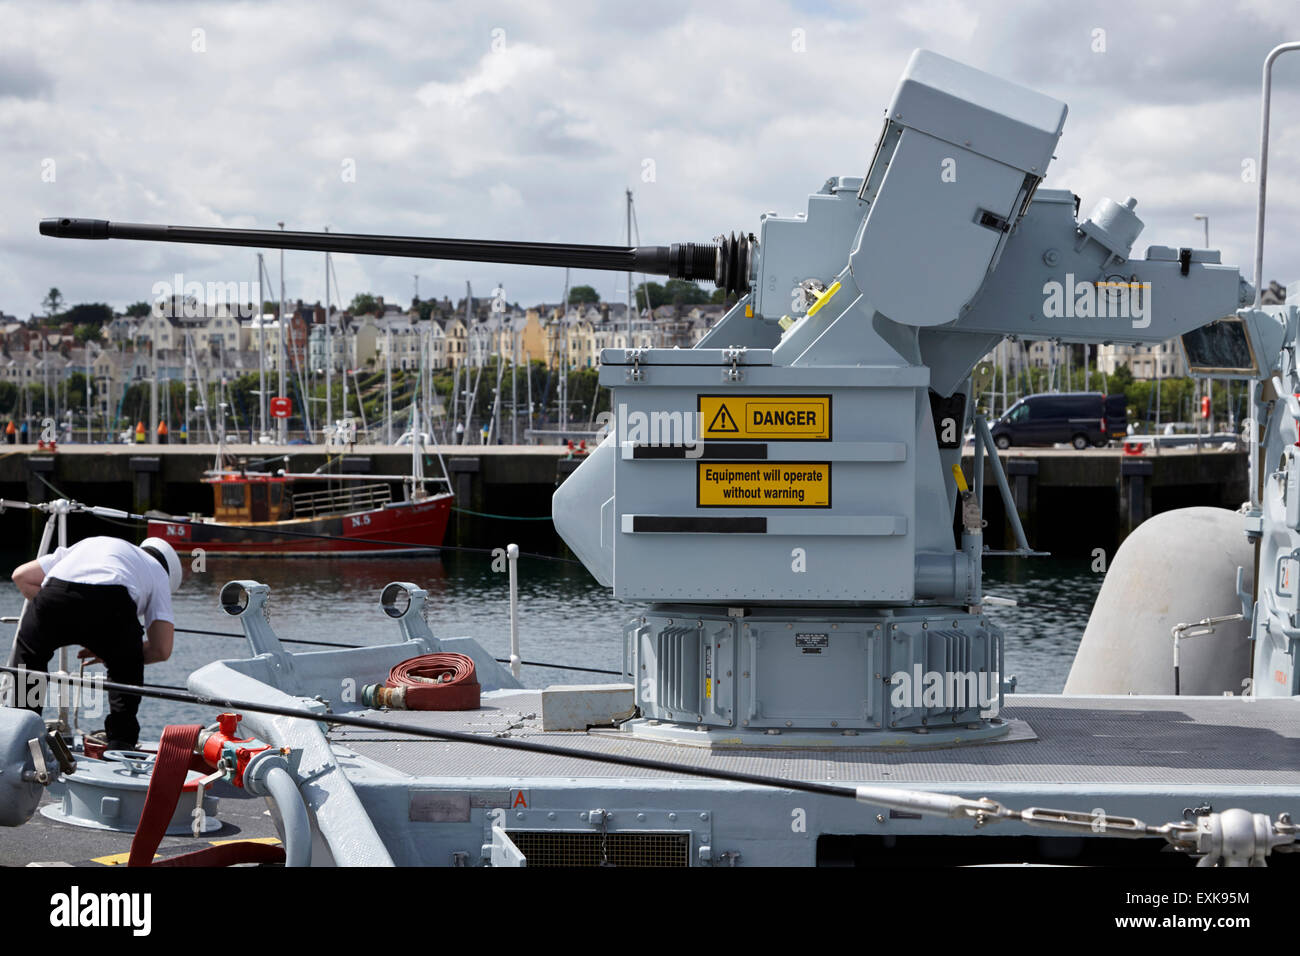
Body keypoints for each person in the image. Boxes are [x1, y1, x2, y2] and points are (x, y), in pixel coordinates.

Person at [9, 536, 182, 751]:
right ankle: (120, 745)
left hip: (55, 593)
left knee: (29, 660)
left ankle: (22, 736)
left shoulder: (91, 544)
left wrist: (64, 616)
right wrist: (115, 652)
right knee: (125, 672)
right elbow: (161, 649)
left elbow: (21, 576)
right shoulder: (157, 570)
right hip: (113, 602)